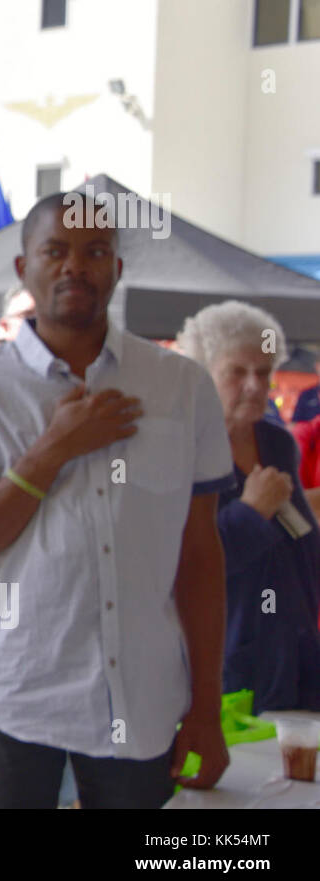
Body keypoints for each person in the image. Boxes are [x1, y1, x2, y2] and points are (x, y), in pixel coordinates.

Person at [0, 189, 234, 809]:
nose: (75, 266)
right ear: (23, 267)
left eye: (95, 251)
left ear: (117, 268)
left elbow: (200, 556)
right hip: (15, 703)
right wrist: (52, 451)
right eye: (55, 250)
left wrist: (207, 706)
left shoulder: (181, 386)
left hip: (145, 706)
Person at [176, 302, 320, 714]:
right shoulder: (182, 448)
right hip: (227, 662)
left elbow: (300, 541)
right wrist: (251, 512)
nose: (255, 385)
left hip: (298, 654)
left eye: (264, 371)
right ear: (203, 374)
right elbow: (181, 561)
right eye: (237, 372)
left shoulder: (277, 442)